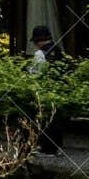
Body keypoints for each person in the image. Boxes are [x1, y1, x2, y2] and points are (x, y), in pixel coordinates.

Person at [27, 27, 63, 155]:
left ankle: (46, 148)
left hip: (44, 90)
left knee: (43, 119)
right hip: (58, 90)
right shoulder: (59, 51)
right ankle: (55, 148)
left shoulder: (40, 54)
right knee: (55, 119)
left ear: (39, 41)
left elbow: (35, 73)